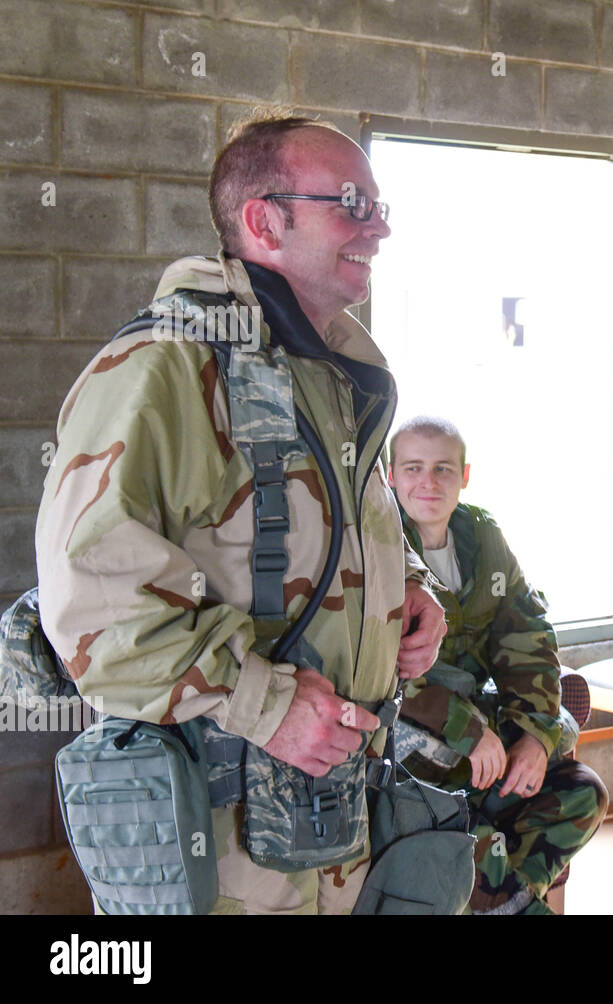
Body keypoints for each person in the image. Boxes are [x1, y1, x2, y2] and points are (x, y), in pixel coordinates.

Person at [35, 112, 447, 914]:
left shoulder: (333, 374)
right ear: (264, 220)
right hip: (221, 842)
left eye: (380, 205)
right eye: (353, 202)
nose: (381, 225)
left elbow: (331, 527)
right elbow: (92, 606)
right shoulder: (162, 368)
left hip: (330, 821)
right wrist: (265, 704)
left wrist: (407, 595)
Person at [388, 416, 608, 915]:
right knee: (466, 827)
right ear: (389, 477)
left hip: (483, 723)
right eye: (414, 468)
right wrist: (467, 730)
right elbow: (381, 671)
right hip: (417, 731)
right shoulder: (375, 547)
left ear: (466, 475)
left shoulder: (483, 537)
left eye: (444, 468)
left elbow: (527, 633)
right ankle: (520, 903)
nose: (429, 481)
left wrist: (533, 734)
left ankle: (502, 899)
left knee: (583, 793)